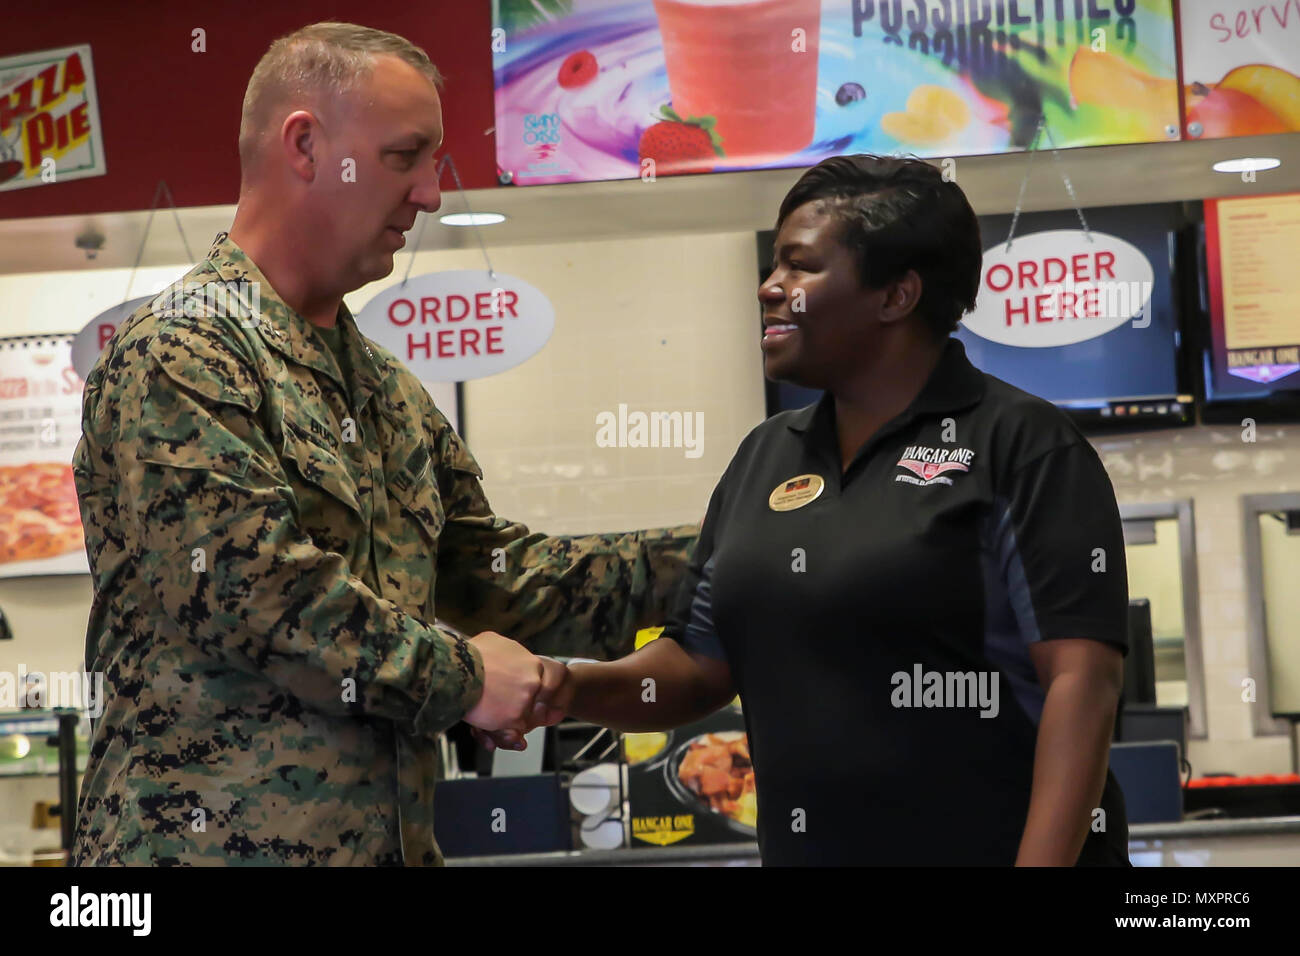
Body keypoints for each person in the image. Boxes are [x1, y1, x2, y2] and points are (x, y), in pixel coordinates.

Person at [70, 22, 695, 866]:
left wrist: (728, 549)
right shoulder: (183, 353)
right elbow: (256, 597)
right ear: (305, 144)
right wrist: (471, 682)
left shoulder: (385, 390)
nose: (431, 195)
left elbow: (490, 573)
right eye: (406, 157)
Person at [542, 154, 1132, 866]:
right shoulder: (766, 456)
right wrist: (563, 685)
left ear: (897, 295)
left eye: (801, 266)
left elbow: (1082, 681)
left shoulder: (1021, 444)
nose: (769, 288)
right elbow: (697, 666)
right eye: (773, 265)